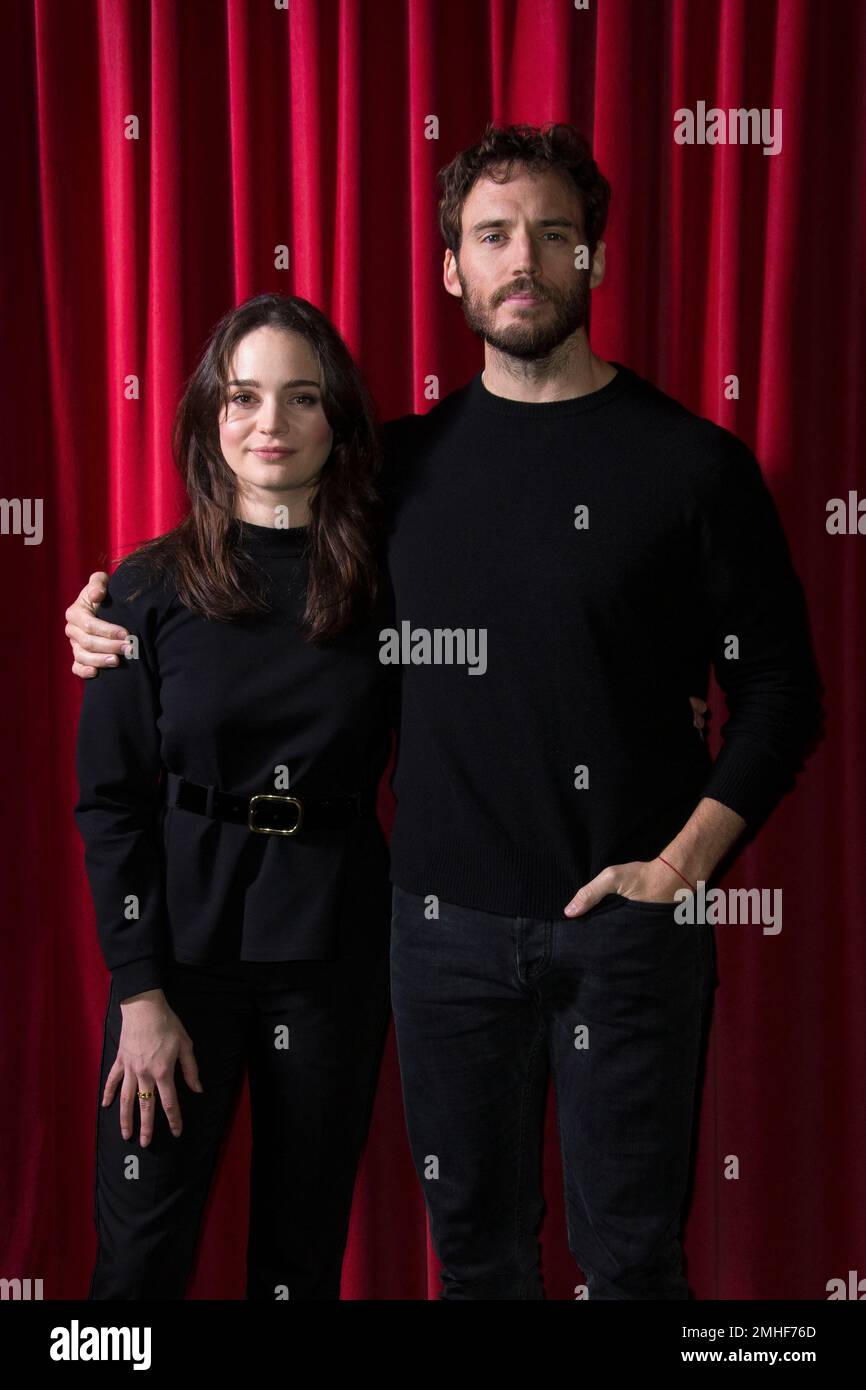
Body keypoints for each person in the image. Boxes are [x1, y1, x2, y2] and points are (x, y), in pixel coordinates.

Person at [66, 121, 822, 1300]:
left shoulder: (693, 467)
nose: (522, 258)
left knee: (632, 1263)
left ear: (594, 262)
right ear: (450, 271)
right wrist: (113, 613)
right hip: (437, 938)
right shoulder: (390, 477)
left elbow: (782, 692)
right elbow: (250, 589)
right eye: (491, 235)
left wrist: (676, 868)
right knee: (474, 1264)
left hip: (625, 934)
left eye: (551, 234)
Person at [71, 292, 396, 1300]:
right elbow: (111, 802)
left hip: (334, 956)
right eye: (244, 396)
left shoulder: (391, 586)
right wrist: (139, 992)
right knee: (136, 1260)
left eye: (300, 398)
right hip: (178, 963)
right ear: (210, 417)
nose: (269, 424)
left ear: (334, 420)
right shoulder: (142, 590)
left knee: (298, 1259)